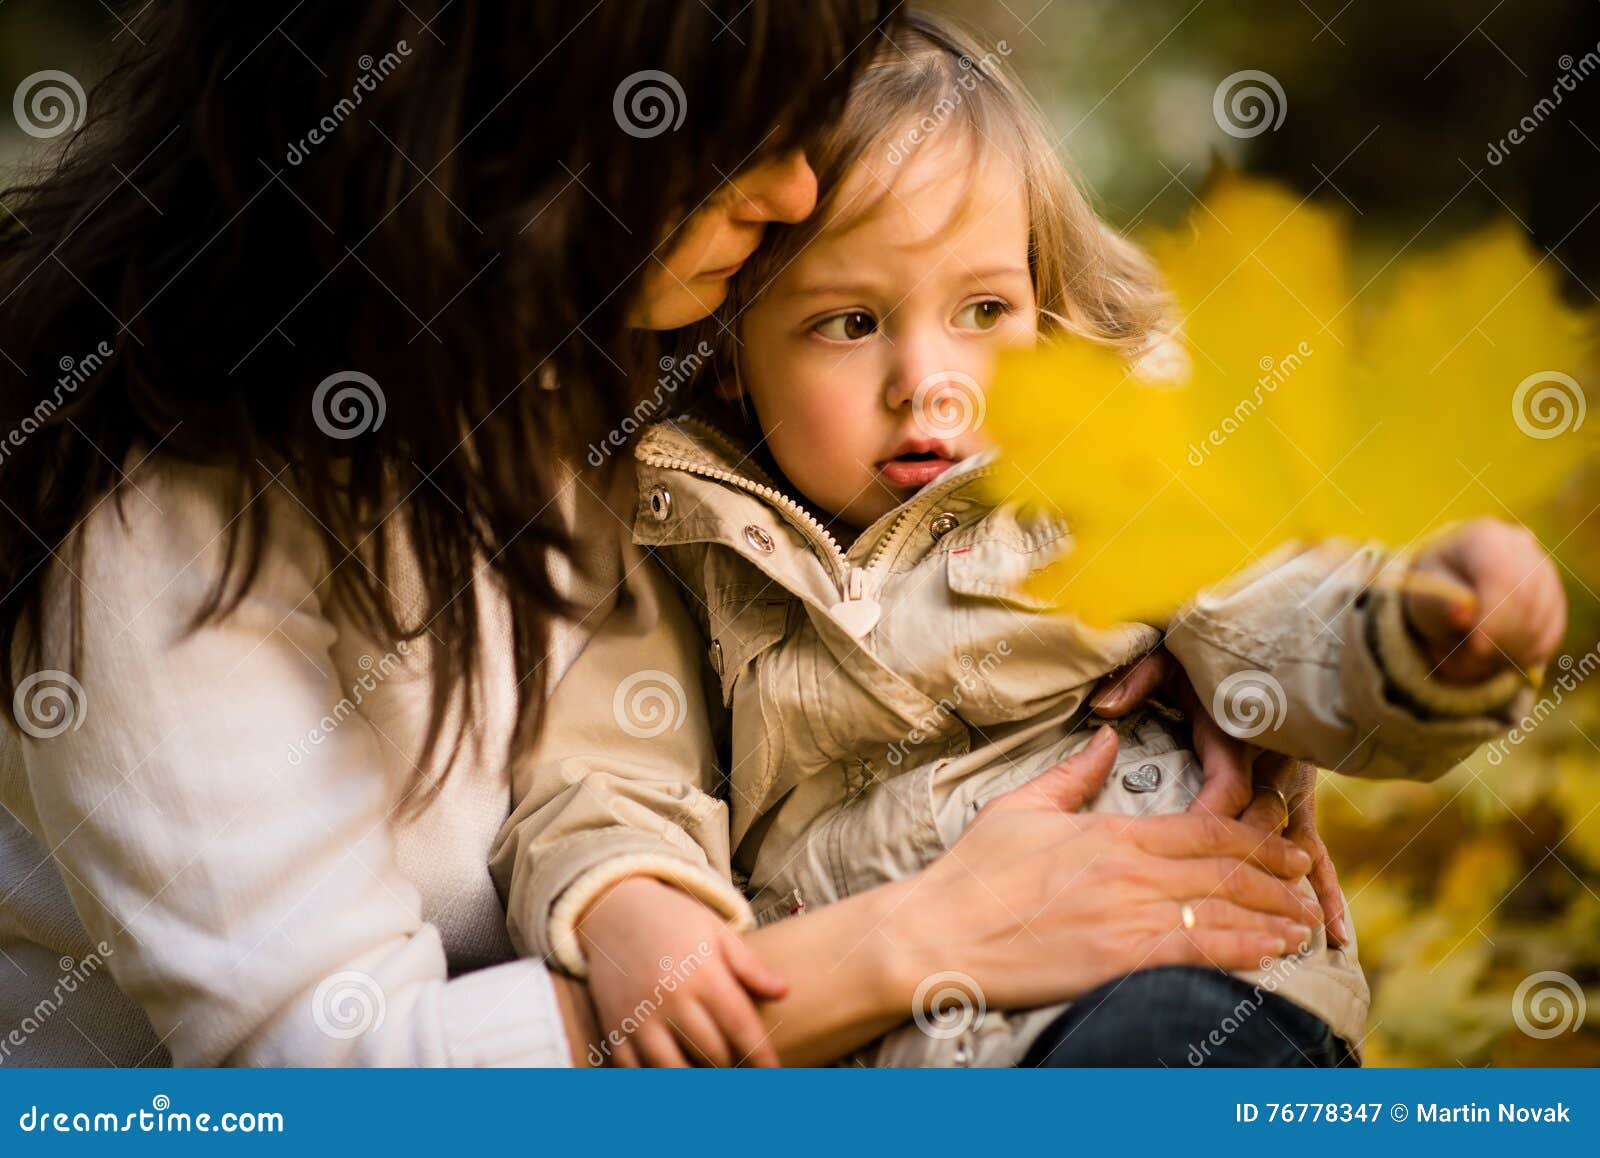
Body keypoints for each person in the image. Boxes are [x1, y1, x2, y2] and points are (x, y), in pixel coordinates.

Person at [0, 0, 1318, 1068]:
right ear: (500, 132)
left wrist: (1206, 637)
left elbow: (1058, 335)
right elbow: (338, 1075)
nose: (796, 182)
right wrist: (934, 928)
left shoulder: (582, 339)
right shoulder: (157, 546)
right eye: (727, 127)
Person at [495, 12, 1563, 1067]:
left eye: (983, 312)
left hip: (1173, 987)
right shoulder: (678, 540)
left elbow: (1280, 611)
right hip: (890, 1047)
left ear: (1044, 310)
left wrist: (1418, 630)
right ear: (729, 355)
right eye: (850, 324)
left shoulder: (1107, 480)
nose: (928, 383)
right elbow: (603, 763)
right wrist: (626, 898)